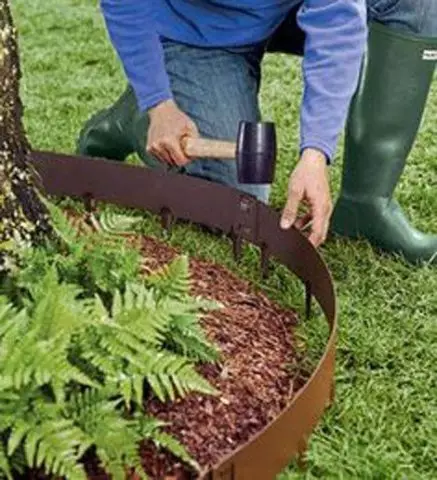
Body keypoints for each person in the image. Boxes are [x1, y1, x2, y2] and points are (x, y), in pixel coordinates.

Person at [77, 0, 437, 265]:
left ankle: (366, 205)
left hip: (282, 10)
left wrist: (315, 154)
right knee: (241, 198)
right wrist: (158, 102)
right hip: (195, 33)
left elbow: (338, 22)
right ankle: (138, 115)